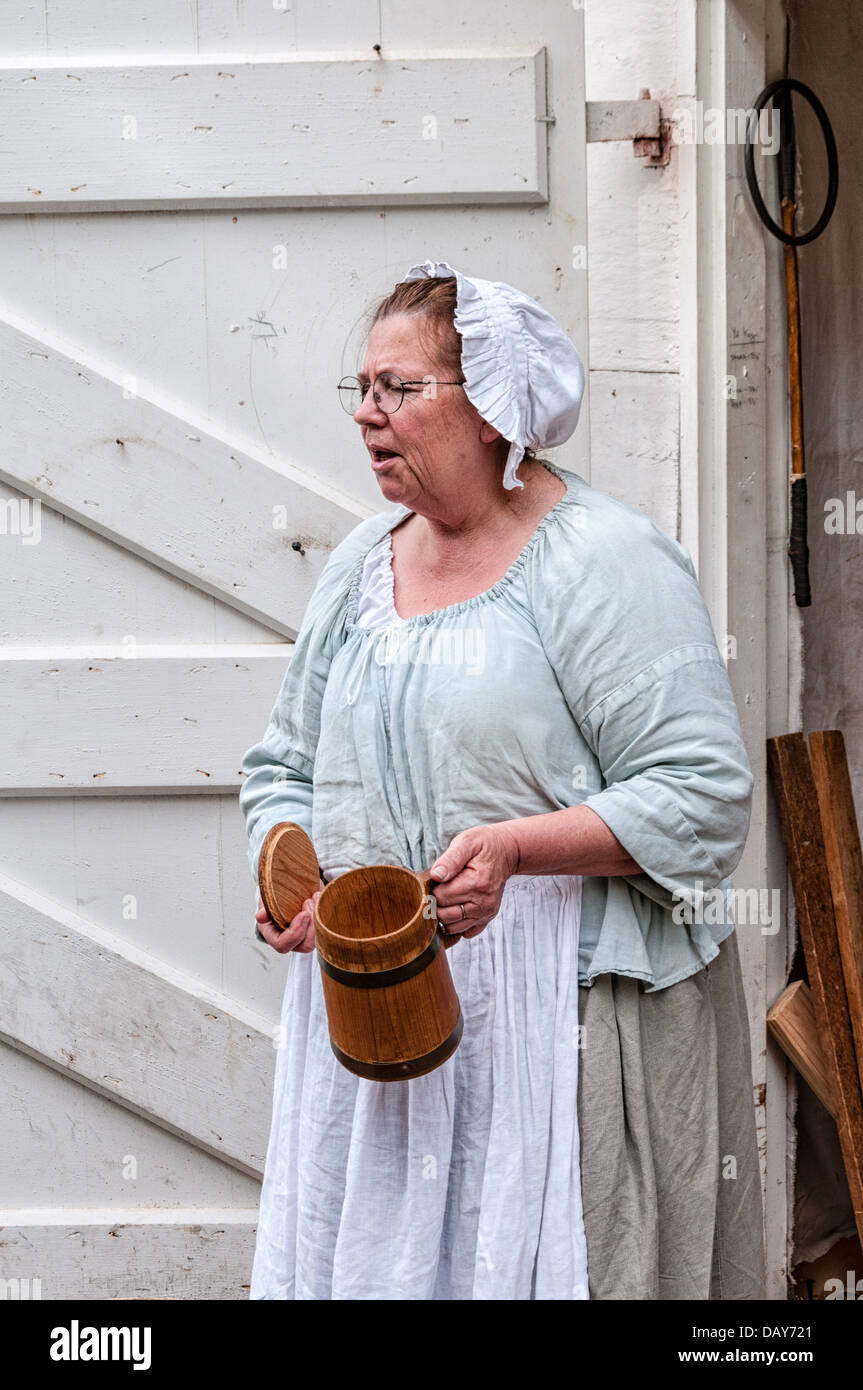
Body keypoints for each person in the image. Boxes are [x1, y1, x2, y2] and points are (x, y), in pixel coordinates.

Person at [239, 259, 766, 1300]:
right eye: (361, 390)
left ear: (488, 408)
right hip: (381, 1029)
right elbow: (281, 766)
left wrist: (516, 850)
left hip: (556, 1029)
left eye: (399, 388)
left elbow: (702, 795)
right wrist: (284, 863)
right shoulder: (359, 568)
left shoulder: (599, 562)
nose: (367, 415)